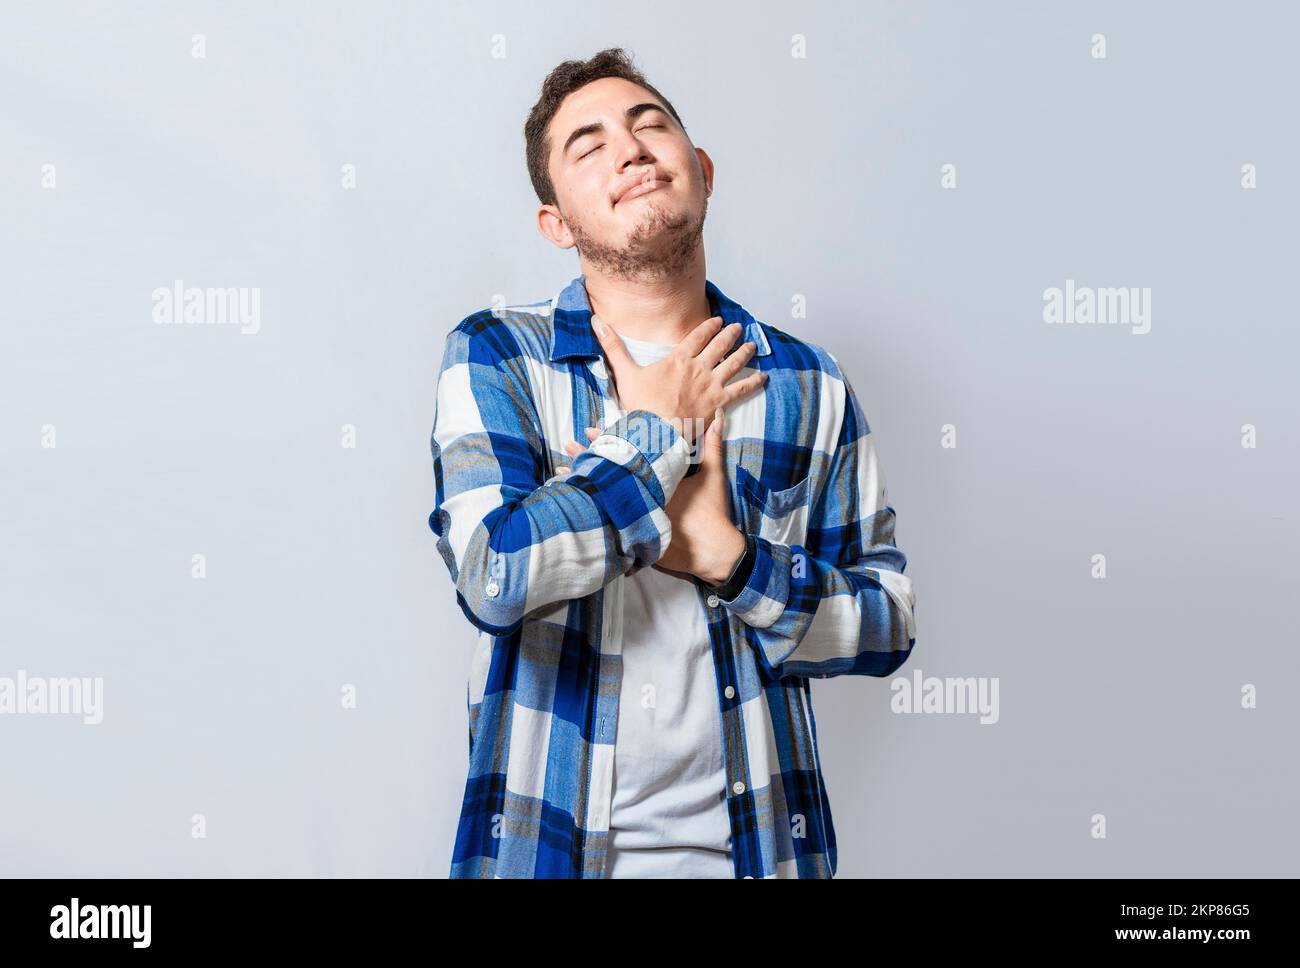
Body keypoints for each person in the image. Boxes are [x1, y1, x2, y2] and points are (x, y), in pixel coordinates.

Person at [430, 48, 916, 878]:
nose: (630, 148)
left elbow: (886, 625)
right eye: (588, 146)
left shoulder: (807, 381)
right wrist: (654, 436)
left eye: (650, 125)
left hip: (759, 856)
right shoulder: (500, 356)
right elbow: (494, 575)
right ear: (557, 224)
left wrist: (730, 561)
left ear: (701, 168)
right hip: (545, 855)